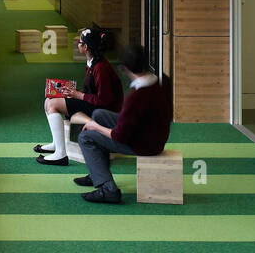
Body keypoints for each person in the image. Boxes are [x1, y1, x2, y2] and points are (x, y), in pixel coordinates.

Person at [72, 44, 173, 204]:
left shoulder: (136, 97)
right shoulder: (163, 82)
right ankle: (97, 173)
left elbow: (119, 136)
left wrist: (93, 125)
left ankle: (108, 189)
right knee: (99, 114)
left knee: (86, 136)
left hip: (145, 145)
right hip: (155, 133)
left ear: (124, 69)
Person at [34, 24, 122, 167]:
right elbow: (92, 91)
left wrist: (78, 95)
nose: (77, 43)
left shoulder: (101, 68)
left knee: (52, 104)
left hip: (103, 111)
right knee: (49, 100)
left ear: (86, 47)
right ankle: (56, 144)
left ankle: (61, 154)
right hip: (93, 104)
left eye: (80, 42)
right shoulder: (93, 62)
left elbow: (104, 100)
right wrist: (74, 94)